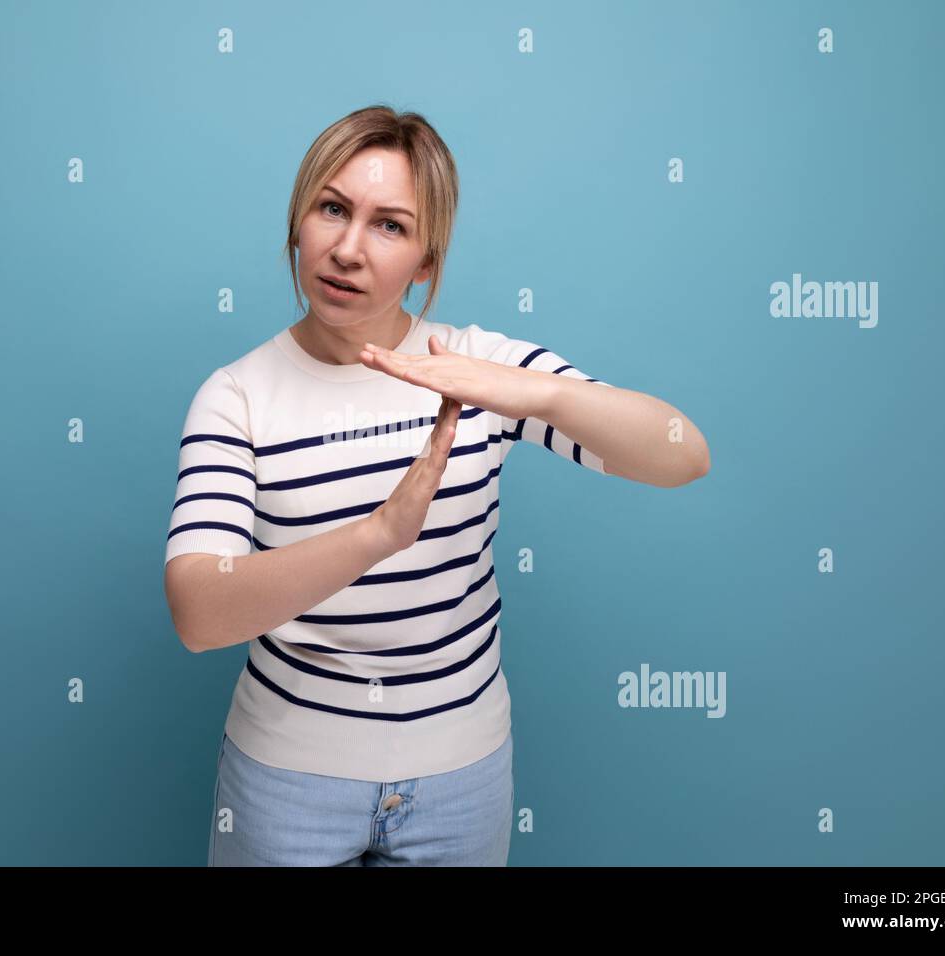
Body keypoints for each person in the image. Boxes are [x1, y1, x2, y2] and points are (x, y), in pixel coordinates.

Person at [163, 104, 710, 866]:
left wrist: (533, 392)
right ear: (299, 221)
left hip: (462, 781)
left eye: (389, 225)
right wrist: (377, 534)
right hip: (285, 782)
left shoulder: (474, 364)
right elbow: (199, 612)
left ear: (425, 260)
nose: (349, 249)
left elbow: (681, 454)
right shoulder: (237, 395)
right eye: (331, 209)